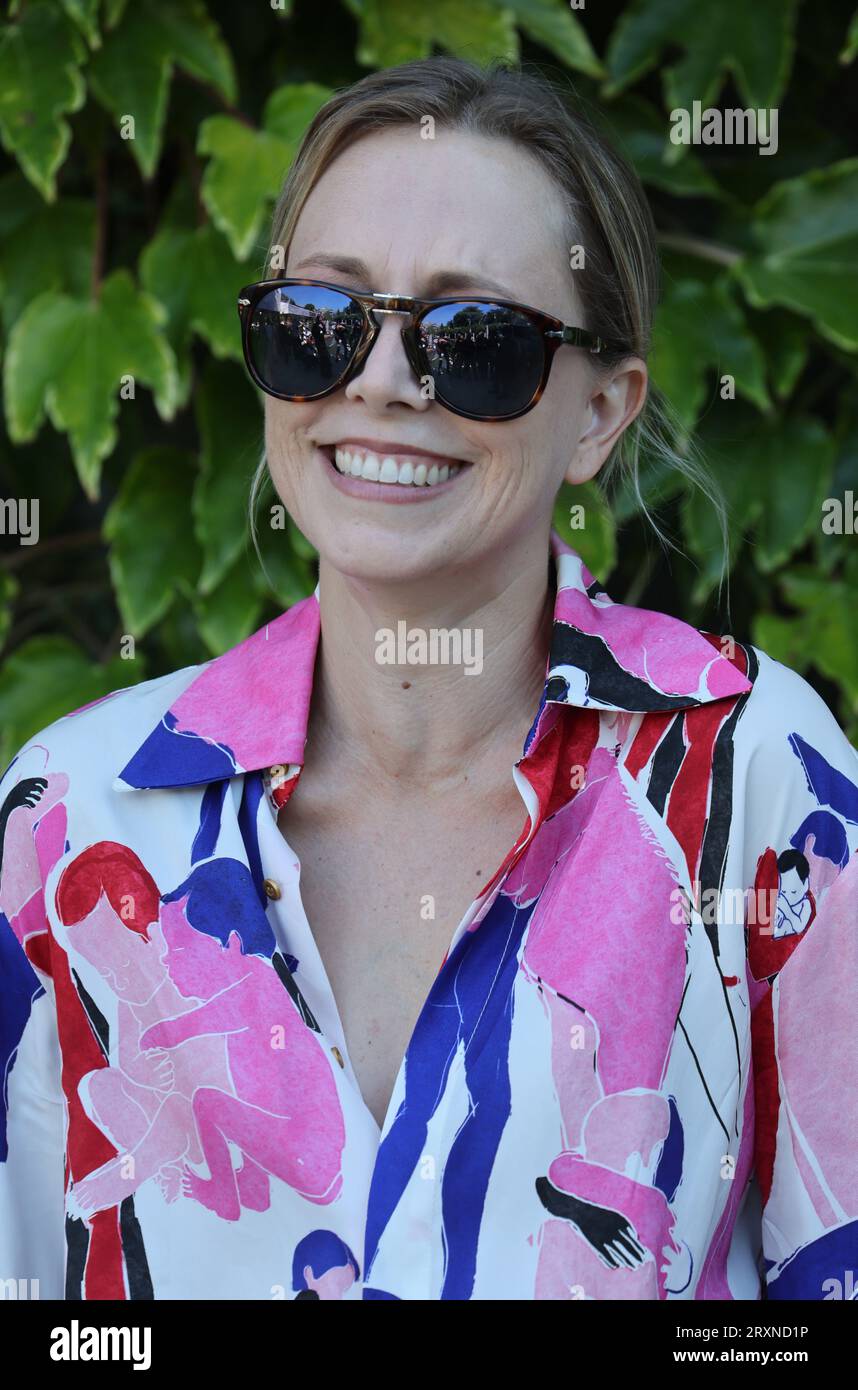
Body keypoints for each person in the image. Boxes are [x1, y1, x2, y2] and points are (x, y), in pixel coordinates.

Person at [1, 56, 856, 1302]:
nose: (380, 383)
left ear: (604, 412)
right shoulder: (69, 813)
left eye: (477, 341)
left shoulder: (755, 778)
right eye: (321, 322)